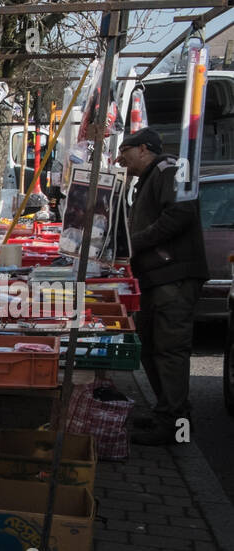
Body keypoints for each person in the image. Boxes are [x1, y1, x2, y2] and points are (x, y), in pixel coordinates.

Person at [115, 127, 208, 446]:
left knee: (170, 349)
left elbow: (180, 214)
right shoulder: (151, 177)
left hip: (174, 277)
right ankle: (166, 412)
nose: (122, 161)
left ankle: (177, 428)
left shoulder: (170, 169)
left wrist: (133, 243)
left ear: (143, 149)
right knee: (152, 346)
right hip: (158, 276)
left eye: (125, 154)